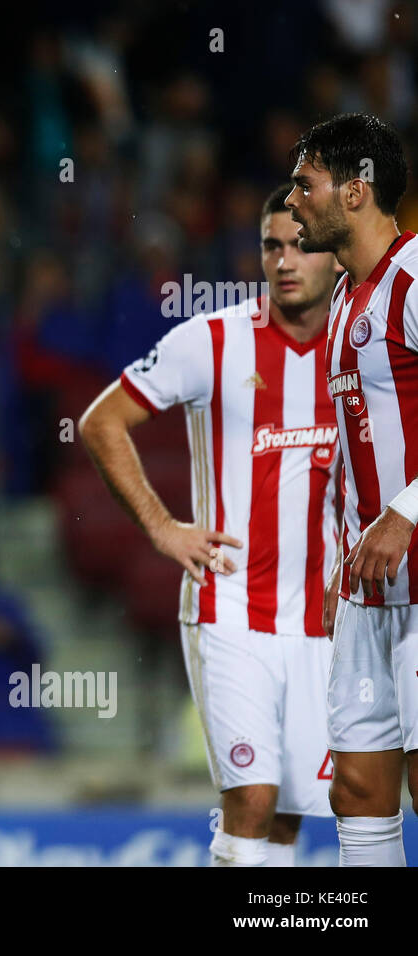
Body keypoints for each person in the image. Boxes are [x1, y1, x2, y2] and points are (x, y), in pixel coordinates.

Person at [78, 183, 341, 866]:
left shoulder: (365, 347)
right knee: (252, 799)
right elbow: (102, 421)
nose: (284, 261)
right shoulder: (211, 341)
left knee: (286, 818)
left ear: (336, 257)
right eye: (272, 246)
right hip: (230, 610)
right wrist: (162, 526)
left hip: (326, 622)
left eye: (302, 246)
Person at [286, 113, 418, 866]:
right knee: (359, 793)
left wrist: (406, 512)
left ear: (357, 190)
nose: (293, 200)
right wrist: (344, 557)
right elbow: (353, 451)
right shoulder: (341, 300)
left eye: (307, 185)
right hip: (369, 594)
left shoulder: (414, 274)